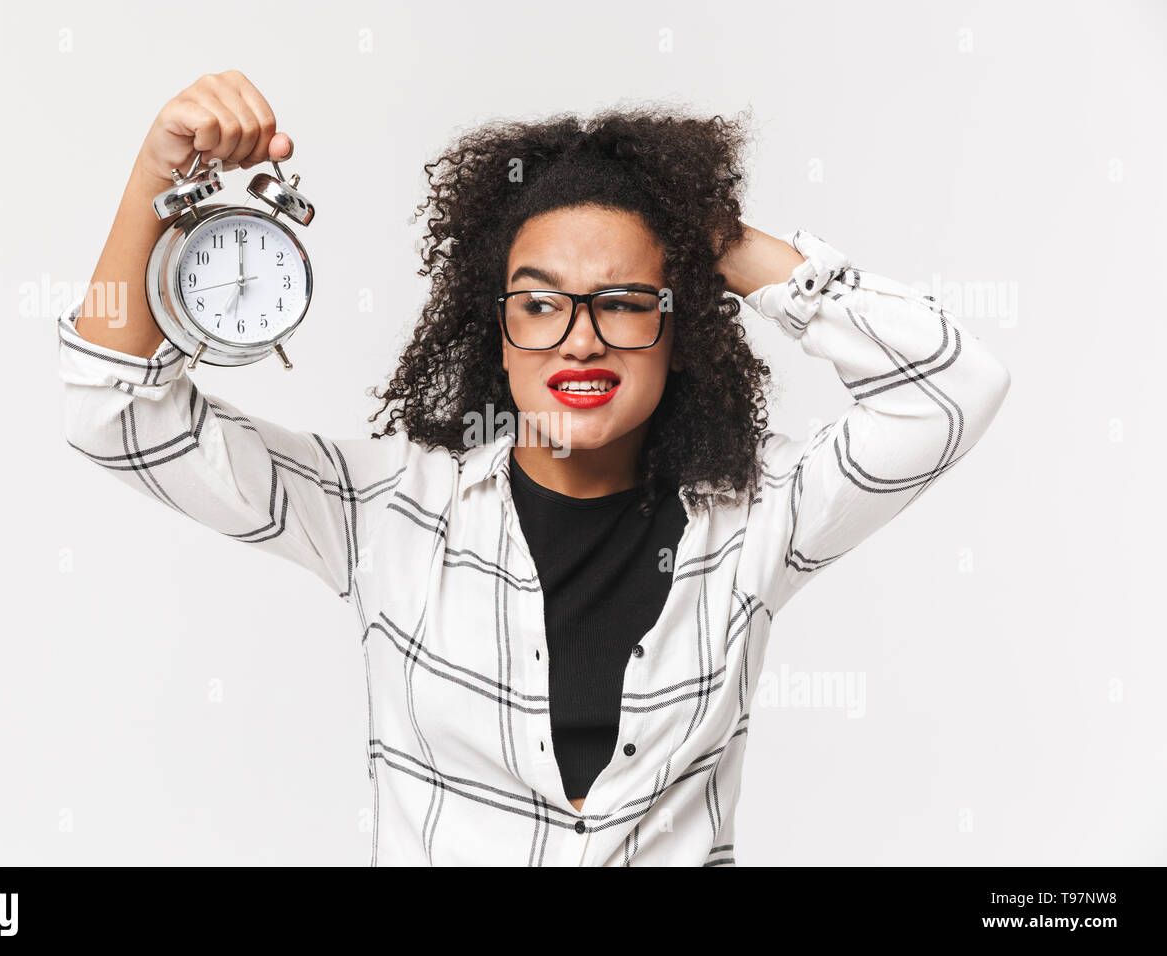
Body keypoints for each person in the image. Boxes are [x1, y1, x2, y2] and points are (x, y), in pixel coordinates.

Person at [58, 70, 1011, 866]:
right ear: (499, 335)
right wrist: (155, 177)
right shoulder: (384, 510)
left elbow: (952, 388)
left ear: (681, 328)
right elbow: (116, 413)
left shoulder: (756, 520)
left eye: (624, 301)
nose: (581, 340)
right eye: (541, 304)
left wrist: (706, 233)